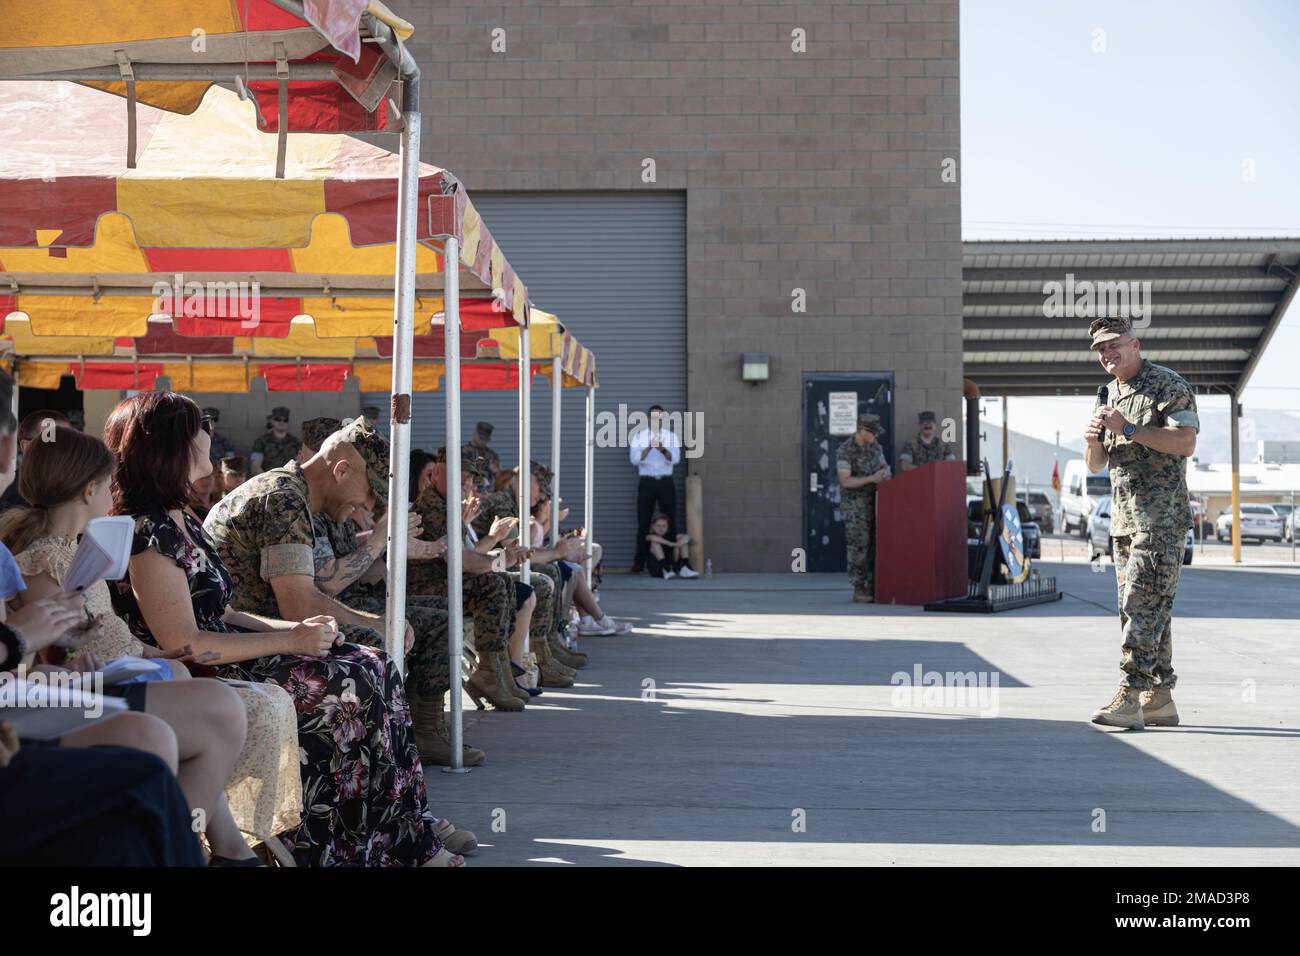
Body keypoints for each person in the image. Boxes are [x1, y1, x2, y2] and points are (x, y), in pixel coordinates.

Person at [105, 392, 460, 866]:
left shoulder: (179, 517)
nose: (209, 432)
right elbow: (184, 644)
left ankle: (399, 832)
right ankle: (326, 847)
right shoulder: (148, 532)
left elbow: (226, 612)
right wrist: (291, 638)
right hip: (195, 674)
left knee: (371, 664)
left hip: (228, 650)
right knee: (346, 683)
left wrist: (298, 630)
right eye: (198, 426)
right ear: (174, 446)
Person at [2, 425, 301, 855]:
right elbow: (50, 649)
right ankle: (205, 847)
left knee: (184, 677)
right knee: (200, 712)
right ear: (89, 490)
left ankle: (209, 845)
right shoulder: (41, 557)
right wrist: (63, 664)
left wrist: (153, 653)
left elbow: (60, 641)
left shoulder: (77, 547)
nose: (113, 492)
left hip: (78, 678)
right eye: (108, 483)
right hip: (62, 689)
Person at [203, 416, 480, 768]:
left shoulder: (294, 495)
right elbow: (299, 606)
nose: (367, 506)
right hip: (241, 648)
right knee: (372, 654)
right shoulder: (283, 500)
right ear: (342, 470)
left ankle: (392, 771)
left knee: (385, 642)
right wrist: (380, 623)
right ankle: (378, 782)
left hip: (256, 635)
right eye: (369, 494)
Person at [1084, 317, 1199, 731]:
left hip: (1161, 519)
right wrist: (1093, 440)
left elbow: (1185, 442)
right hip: (1123, 521)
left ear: (1135, 344)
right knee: (1150, 610)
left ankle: (1130, 695)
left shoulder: (1167, 385)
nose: (1106, 354)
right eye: (1100, 350)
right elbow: (1097, 464)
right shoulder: (1106, 394)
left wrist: (1129, 428)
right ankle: (1160, 698)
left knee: (1140, 605)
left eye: (1114, 345)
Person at [475, 467, 588, 685]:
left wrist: (558, 552)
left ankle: (546, 645)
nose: (541, 497)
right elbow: (519, 553)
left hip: (490, 564)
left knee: (552, 570)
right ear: (520, 483)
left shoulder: (513, 504)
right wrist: (556, 553)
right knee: (545, 577)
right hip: (484, 567)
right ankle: (537, 656)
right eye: (538, 489)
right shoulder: (503, 503)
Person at [836, 413, 891, 603]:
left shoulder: (875, 447)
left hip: (875, 505)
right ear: (863, 430)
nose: (876, 437)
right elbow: (845, 481)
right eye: (873, 433)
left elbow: (883, 466)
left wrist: (885, 473)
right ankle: (859, 588)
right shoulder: (845, 450)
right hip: (855, 509)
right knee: (859, 548)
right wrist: (871, 479)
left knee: (876, 546)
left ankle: (874, 585)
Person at [629, 405, 681, 573]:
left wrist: (662, 449)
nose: (656, 420)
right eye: (653, 417)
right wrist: (650, 447)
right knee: (643, 522)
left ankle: (671, 562)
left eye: (659, 417)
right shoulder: (639, 436)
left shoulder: (671, 436)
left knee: (670, 521)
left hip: (666, 482)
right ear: (648, 419)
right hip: (647, 482)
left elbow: (675, 459)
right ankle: (639, 563)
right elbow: (635, 460)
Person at [0, 409, 70, 513]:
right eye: (51, 442)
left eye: (69, 442)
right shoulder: (10, 500)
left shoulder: (77, 490)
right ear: (27, 447)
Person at [644, 513, 697, 580]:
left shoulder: (670, 536)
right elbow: (652, 538)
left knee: (681, 540)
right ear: (653, 526)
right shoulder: (649, 536)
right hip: (657, 568)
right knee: (655, 543)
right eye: (658, 525)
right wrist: (671, 544)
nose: (661, 528)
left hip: (671, 569)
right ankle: (665, 568)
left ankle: (685, 567)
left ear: (667, 527)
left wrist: (683, 540)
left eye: (664, 526)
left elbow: (687, 537)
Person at [249, 406, 300, 474]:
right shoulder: (261, 442)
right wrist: (266, 481)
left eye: (285, 420)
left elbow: (301, 464)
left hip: (290, 481)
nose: (282, 422)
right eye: (278, 419)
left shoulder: (295, 442)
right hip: (268, 481)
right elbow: (255, 467)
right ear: (272, 421)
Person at [462, 421, 500, 492]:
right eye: (481, 438)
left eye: (485, 439)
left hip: (485, 493)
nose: (483, 441)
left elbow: (499, 479)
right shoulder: (461, 453)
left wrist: (496, 471)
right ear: (475, 433)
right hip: (465, 491)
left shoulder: (492, 455)